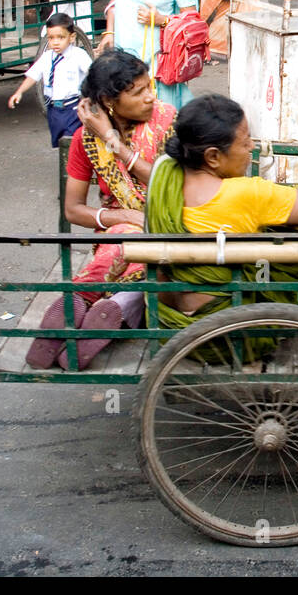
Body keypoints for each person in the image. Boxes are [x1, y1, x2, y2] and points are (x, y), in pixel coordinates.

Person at [145, 94, 298, 346]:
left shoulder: (163, 172)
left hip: (172, 325)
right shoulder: (244, 194)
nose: (252, 148)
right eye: (245, 142)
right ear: (213, 157)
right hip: (232, 335)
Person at [27, 50, 178, 369]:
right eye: (139, 92)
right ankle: (111, 311)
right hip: (117, 237)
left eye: (149, 86)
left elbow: (170, 186)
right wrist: (120, 215)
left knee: (138, 245)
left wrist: (114, 141)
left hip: (173, 226)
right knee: (126, 235)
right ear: (110, 101)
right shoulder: (85, 140)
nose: (151, 97)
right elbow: (73, 210)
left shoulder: (168, 121)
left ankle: (81, 300)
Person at [7, 13, 93, 147]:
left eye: (61, 37)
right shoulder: (47, 57)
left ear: (72, 37)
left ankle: (73, 166)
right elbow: (33, 76)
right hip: (53, 110)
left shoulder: (78, 56)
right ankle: (66, 166)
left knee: (73, 142)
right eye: (51, 38)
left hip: (72, 108)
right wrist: (19, 92)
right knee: (59, 142)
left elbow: (93, 73)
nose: (56, 42)